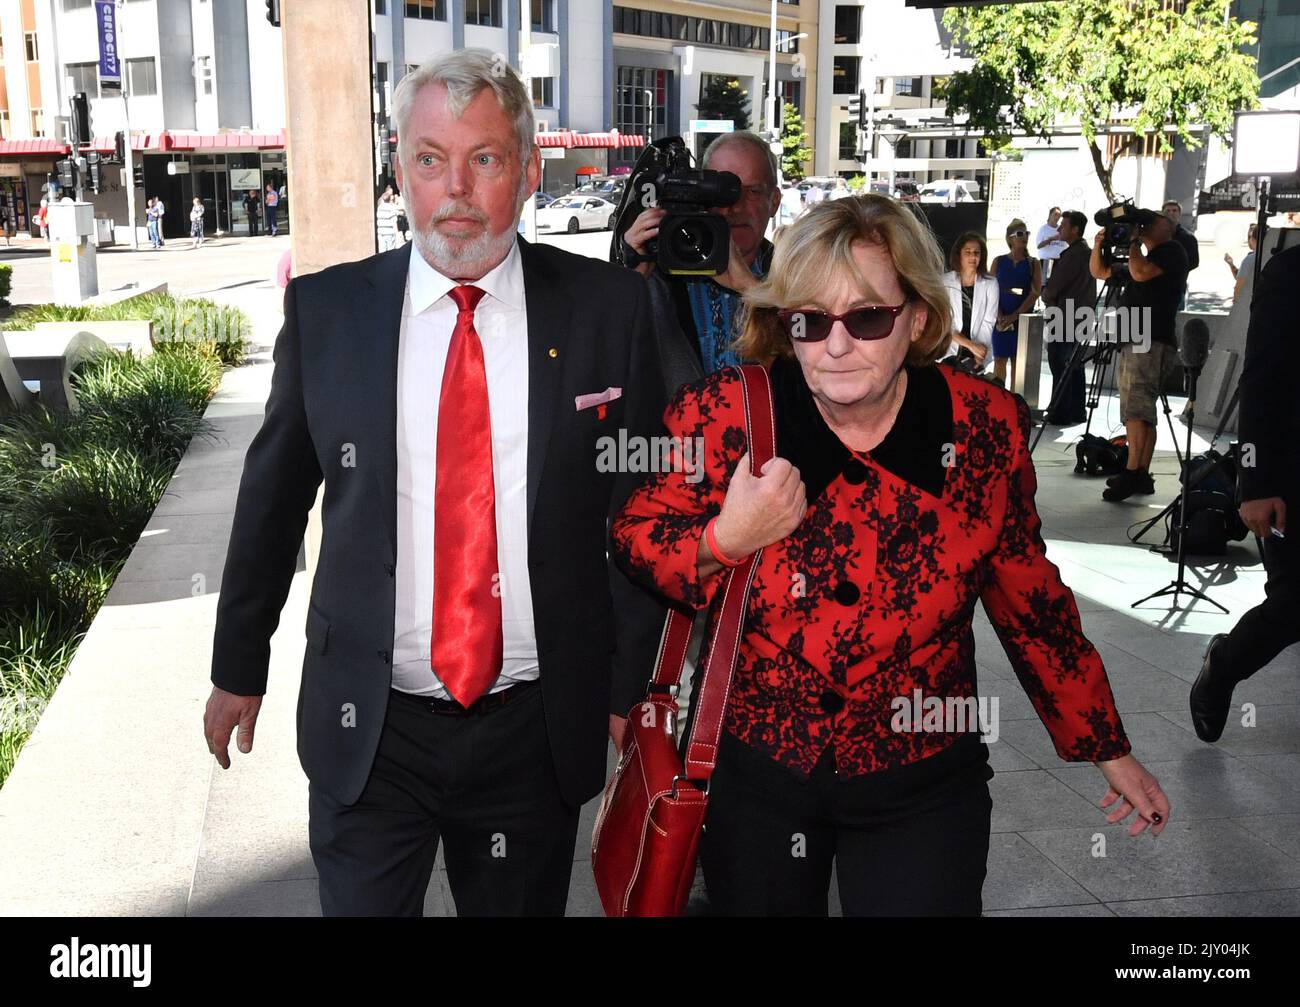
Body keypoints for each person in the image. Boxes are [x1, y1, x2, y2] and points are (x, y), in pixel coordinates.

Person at [610, 195, 1170, 917]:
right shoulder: (726, 415)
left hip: (922, 778)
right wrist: (726, 539)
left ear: (917, 317)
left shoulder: (980, 429)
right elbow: (634, 536)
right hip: (759, 779)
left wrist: (1104, 743)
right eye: (810, 320)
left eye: (867, 317)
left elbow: (1031, 602)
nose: (835, 345)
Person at [203, 48, 666, 917]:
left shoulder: (608, 312)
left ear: (529, 171)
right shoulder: (329, 312)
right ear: (399, 170)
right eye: (428, 160)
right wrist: (239, 663)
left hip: (533, 730)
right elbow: (271, 502)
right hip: (371, 730)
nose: (454, 189)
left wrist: (624, 686)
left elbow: (640, 510)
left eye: (484, 159)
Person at [1190, 243, 1300, 742]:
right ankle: (1223, 666)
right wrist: (1254, 483)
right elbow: (1263, 379)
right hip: (1291, 475)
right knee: (1294, 602)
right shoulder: (1290, 271)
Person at [622, 130, 781, 391]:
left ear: (774, 202)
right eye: (720, 193)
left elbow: (806, 371)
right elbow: (600, 360)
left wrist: (752, 289)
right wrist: (632, 276)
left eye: (751, 191)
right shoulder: (661, 276)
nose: (733, 207)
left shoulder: (798, 277)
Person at [1089, 210, 1189, 502]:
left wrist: (1132, 242)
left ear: (1167, 228)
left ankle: (1132, 472)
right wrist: (1099, 245)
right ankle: (1141, 474)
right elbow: (1100, 272)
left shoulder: (1172, 251)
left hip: (1150, 340)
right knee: (1143, 412)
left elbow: (1141, 272)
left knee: (1136, 409)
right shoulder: (1141, 258)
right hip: (1138, 340)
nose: (1143, 227)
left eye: (1151, 223)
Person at [1040, 210, 1096, 426]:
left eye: (1064, 225)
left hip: (1064, 317)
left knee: (1060, 364)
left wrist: (1046, 295)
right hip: (1080, 317)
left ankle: (1060, 412)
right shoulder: (1087, 253)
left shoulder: (1073, 255)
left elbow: (1053, 288)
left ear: (1075, 230)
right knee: (1075, 365)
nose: (1059, 229)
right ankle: (1076, 411)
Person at [989, 218, 1042, 389]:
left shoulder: (1033, 263)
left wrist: (1015, 315)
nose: (1024, 237)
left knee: (1018, 364)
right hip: (1001, 317)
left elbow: (1035, 293)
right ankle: (998, 401)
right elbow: (991, 289)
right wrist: (999, 315)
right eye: (1020, 233)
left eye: (1026, 233)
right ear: (1010, 238)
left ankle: (1014, 403)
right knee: (999, 360)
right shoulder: (998, 261)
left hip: (1021, 320)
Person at [939, 230, 996, 372]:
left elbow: (988, 323)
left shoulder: (991, 283)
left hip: (978, 353)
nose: (973, 256)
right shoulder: (944, 282)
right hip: (949, 351)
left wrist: (978, 352)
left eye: (977, 252)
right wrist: (970, 345)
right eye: (968, 252)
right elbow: (945, 324)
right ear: (959, 255)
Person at [1162, 200, 1199, 309]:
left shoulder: (1188, 237)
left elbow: (1194, 262)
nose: (1171, 213)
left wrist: (1176, 270)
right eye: (1167, 210)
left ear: (1179, 214)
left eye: (1174, 210)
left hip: (1177, 288)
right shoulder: (1157, 234)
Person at [1224, 223, 1257, 305]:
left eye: (1250, 237)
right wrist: (1231, 264)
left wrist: (1236, 301)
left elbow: (1239, 287)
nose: (1249, 240)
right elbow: (1241, 277)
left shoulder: (1249, 259)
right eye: (1248, 237)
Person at [1034, 207, 1068, 281]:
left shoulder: (1062, 229)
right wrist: (1051, 239)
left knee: (1058, 285)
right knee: (1045, 285)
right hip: (1047, 261)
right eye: (1055, 214)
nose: (1057, 217)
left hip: (1060, 262)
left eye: (1059, 215)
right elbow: (1039, 246)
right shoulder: (1043, 229)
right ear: (1050, 215)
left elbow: (1067, 246)